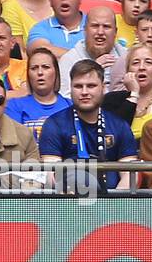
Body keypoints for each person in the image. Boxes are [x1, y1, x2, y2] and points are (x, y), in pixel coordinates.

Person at [39, 59, 140, 192]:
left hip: (112, 198)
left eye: (91, 86)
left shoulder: (119, 125)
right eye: (78, 86)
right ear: (70, 89)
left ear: (103, 88)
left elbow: (130, 173)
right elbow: (50, 174)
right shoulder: (54, 124)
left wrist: (114, 200)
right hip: (68, 198)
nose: (84, 92)